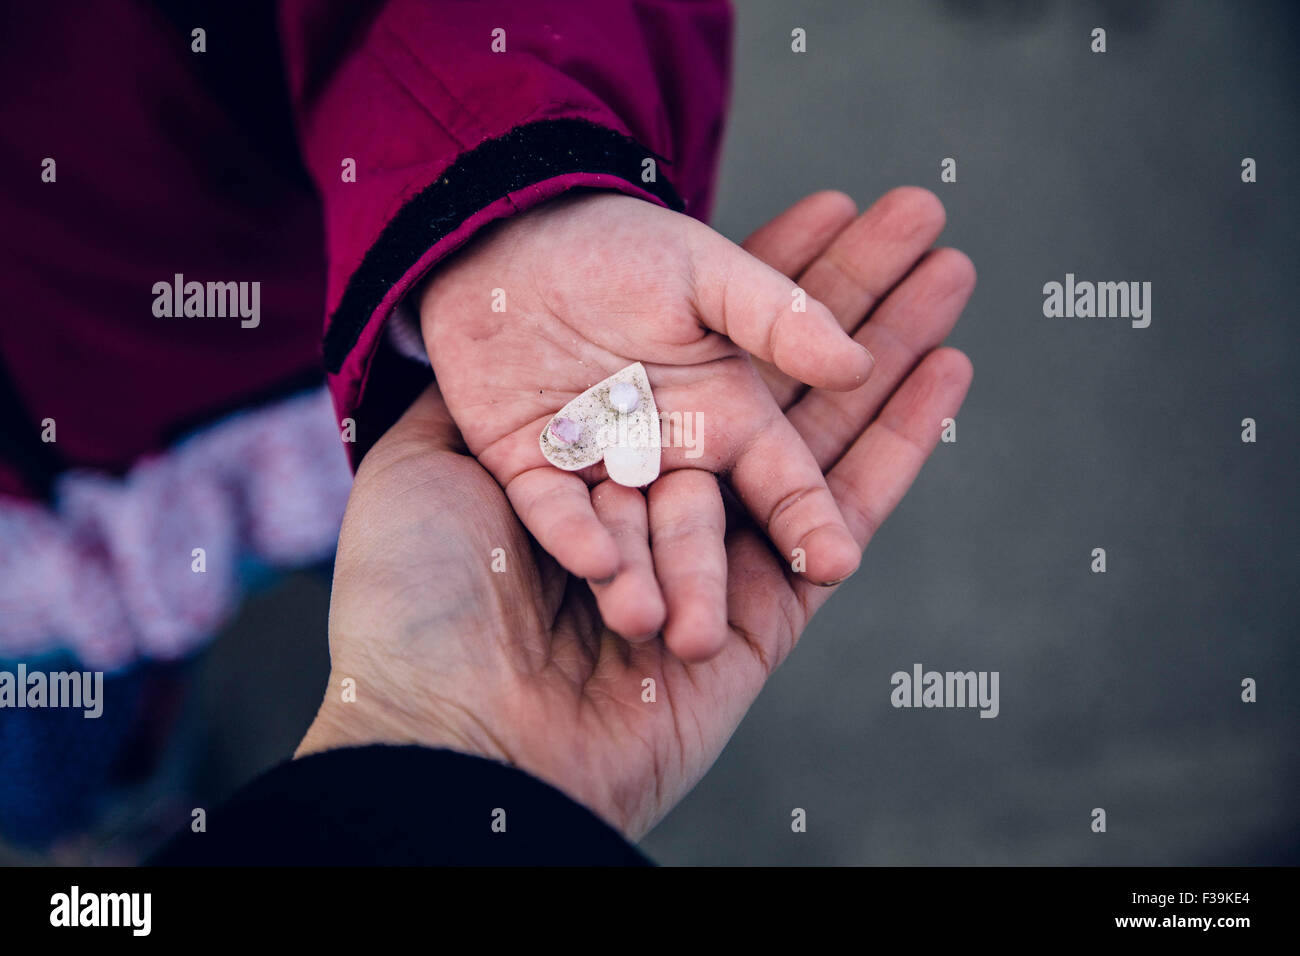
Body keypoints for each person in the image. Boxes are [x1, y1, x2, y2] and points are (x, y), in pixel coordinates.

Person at [152, 190, 975, 864]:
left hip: (345, 381)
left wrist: (520, 203)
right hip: (65, 503)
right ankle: (121, 796)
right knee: (78, 719)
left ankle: (130, 805)